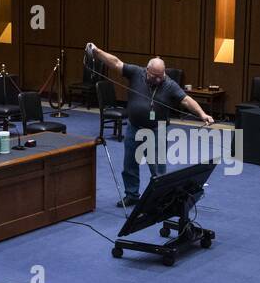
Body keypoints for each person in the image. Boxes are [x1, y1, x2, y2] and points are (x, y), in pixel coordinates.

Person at [85, 43, 214, 207]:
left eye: (161, 75)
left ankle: (161, 198)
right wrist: (97, 51)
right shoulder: (136, 73)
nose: (159, 79)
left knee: (158, 169)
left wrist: (202, 114)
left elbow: (186, 100)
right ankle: (132, 195)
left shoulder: (169, 84)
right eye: (155, 76)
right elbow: (116, 62)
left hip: (156, 131)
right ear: (147, 71)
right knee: (130, 165)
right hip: (134, 127)